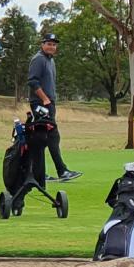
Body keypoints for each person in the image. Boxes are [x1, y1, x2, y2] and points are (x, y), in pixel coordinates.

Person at [26, 31, 79, 181]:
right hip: (41, 104)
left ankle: (39, 173)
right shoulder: (39, 60)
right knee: (51, 136)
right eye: (49, 44)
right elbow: (32, 82)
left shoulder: (50, 60)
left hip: (48, 103)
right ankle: (61, 171)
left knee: (44, 138)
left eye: (54, 44)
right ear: (42, 44)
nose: (52, 47)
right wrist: (45, 99)